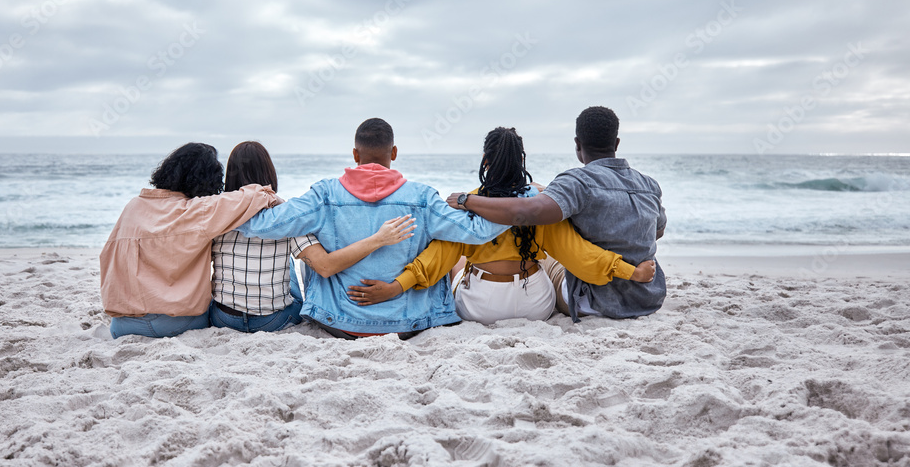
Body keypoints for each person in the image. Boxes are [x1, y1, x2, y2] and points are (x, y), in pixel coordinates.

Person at [348, 127, 655, 325]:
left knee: (456, 259)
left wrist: (395, 287)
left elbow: (436, 258)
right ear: (521, 159)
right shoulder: (536, 206)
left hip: (481, 306)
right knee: (550, 254)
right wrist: (632, 272)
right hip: (535, 304)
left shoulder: (470, 203)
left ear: (485, 160)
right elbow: (579, 253)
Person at [236, 118, 510, 339]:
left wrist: (223, 207)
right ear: (394, 153)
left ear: (355, 154)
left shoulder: (324, 195)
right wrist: (519, 204)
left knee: (308, 240)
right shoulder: (423, 198)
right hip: (407, 324)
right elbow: (478, 231)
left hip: (338, 322)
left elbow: (265, 224)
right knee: (443, 239)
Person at [446, 107, 667, 321]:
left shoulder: (575, 183)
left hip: (589, 300)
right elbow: (656, 232)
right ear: (617, 143)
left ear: (577, 144)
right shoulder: (649, 185)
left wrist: (468, 200)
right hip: (644, 298)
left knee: (467, 258)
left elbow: (528, 211)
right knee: (551, 245)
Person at [210, 141, 416, 333]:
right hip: (271, 321)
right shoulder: (284, 216)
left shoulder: (216, 213)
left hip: (222, 318)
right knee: (295, 262)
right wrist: (378, 239)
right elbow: (325, 266)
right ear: (268, 172)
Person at [100, 143, 279, 339]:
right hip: (172, 323)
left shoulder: (133, 207)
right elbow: (255, 195)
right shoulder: (196, 211)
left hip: (122, 325)